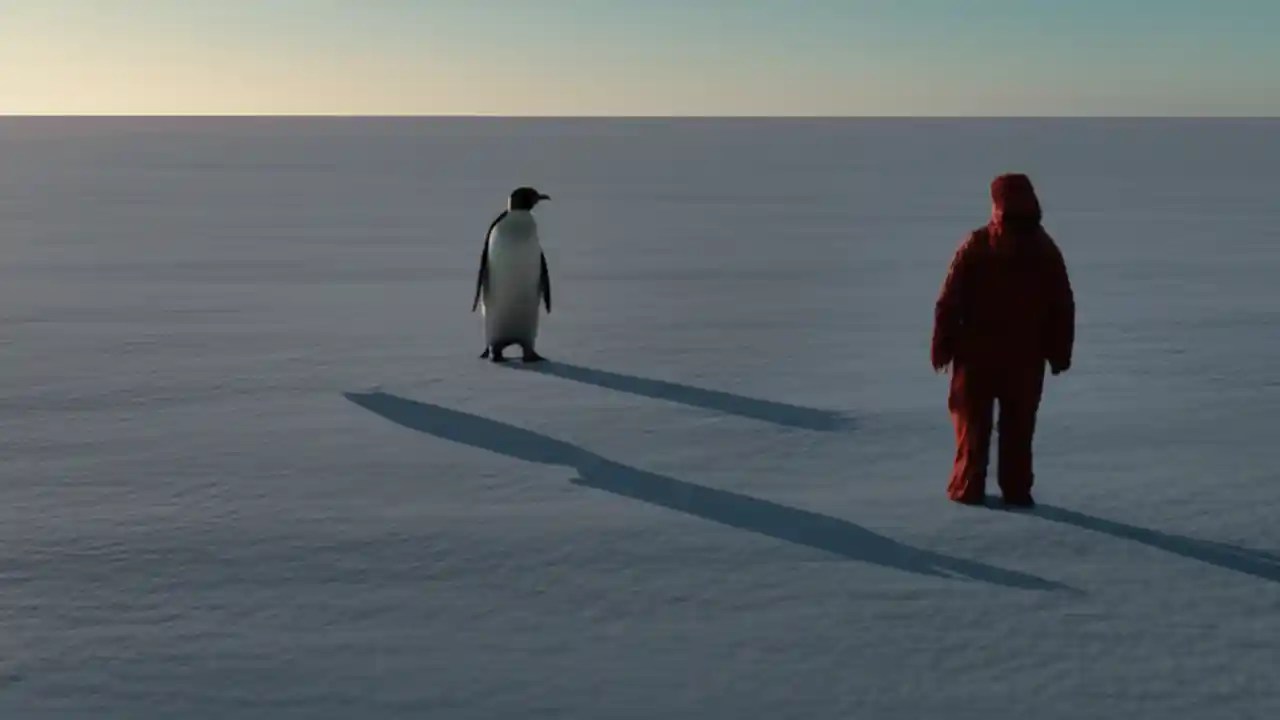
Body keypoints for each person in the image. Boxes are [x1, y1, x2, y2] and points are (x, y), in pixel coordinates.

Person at [931, 173, 1075, 508]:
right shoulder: (1045, 250)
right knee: (1018, 429)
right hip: (1025, 358)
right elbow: (1062, 306)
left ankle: (967, 489)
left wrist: (942, 344)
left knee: (971, 428)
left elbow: (948, 301)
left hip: (976, 356)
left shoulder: (977, 244)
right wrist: (1059, 351)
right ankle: (1016, 490)